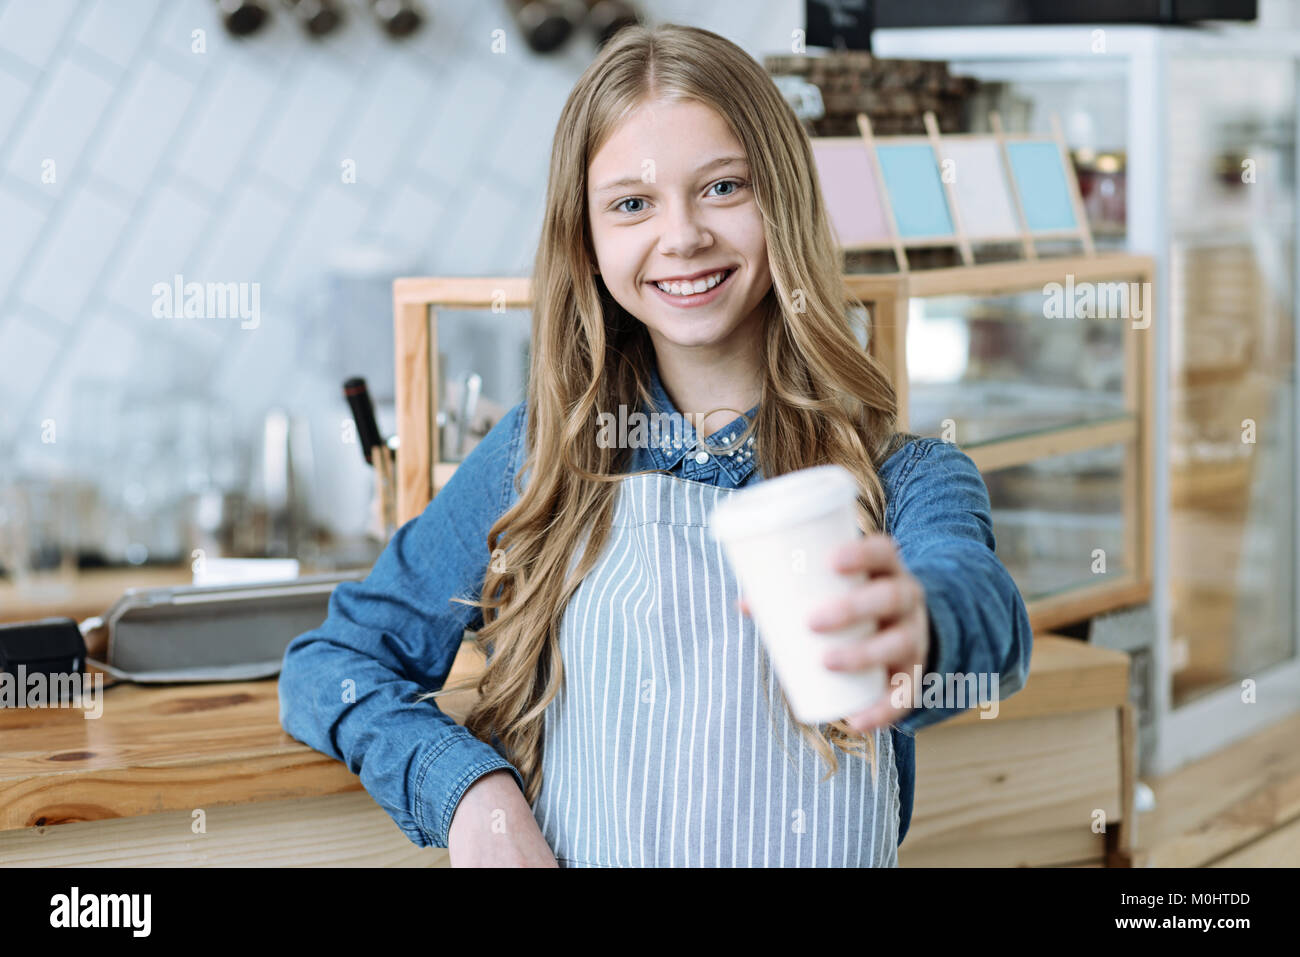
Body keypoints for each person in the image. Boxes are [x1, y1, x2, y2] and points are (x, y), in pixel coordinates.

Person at [278, 22, 1033, 868]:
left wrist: (920, 627)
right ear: (588, 243)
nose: (682, 237)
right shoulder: (539, 458)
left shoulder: (906, 478)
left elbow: (989, 619)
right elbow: (333, 663)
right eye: (632, 204)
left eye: (722, 187)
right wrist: (468, 791)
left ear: (782, 198)